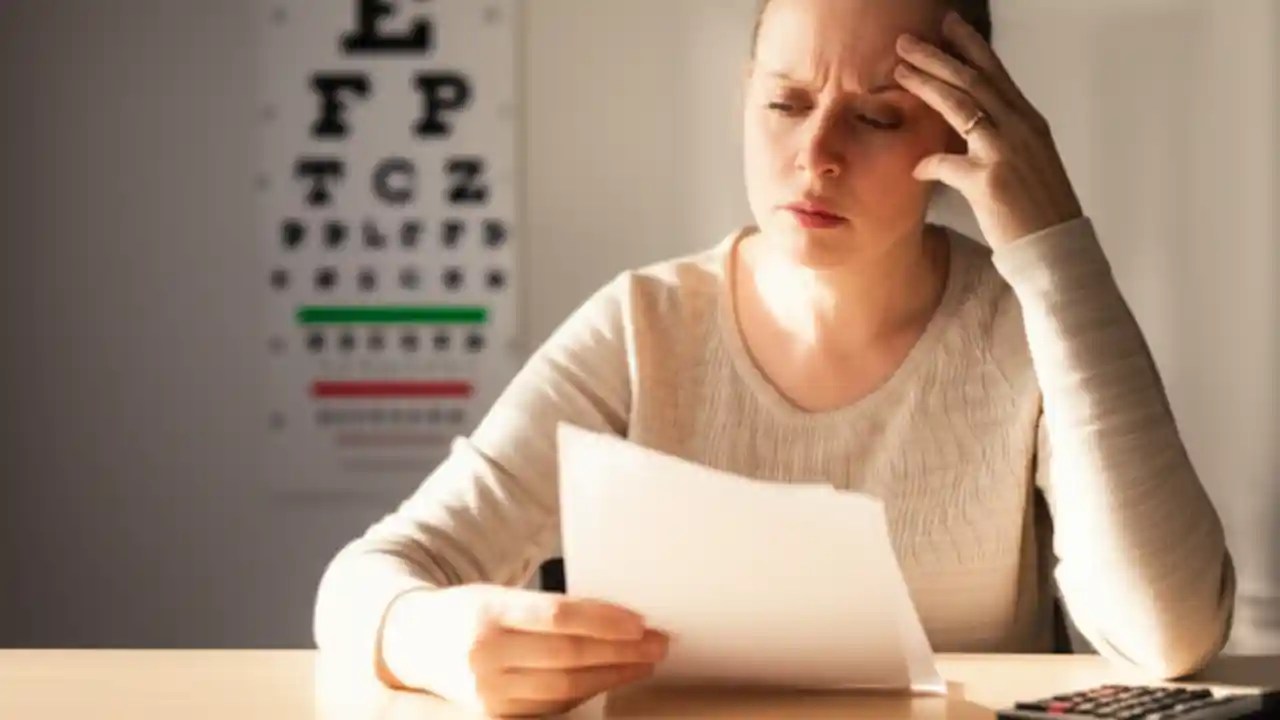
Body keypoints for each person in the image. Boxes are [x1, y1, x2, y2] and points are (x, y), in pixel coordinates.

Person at [314, 0, 1236, 715]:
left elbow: (1170, 634)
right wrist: (436, 636)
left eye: (876, 117)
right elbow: (366, 581)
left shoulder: (1025, 332)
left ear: (966, 133)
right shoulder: (642, 326)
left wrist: (1054, 246)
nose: (815, 156)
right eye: (786, 102)